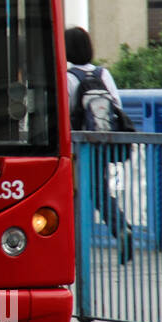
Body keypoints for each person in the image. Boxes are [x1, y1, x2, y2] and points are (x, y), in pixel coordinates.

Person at [65, 26, 134, 264]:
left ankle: (71, 247)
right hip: (101, 144)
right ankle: (121, 228)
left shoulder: (69, 77)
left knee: (68, 193)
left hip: (75, 147)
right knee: (99, 192)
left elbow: (63, 114)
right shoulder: (104, 74)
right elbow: (118, 106)